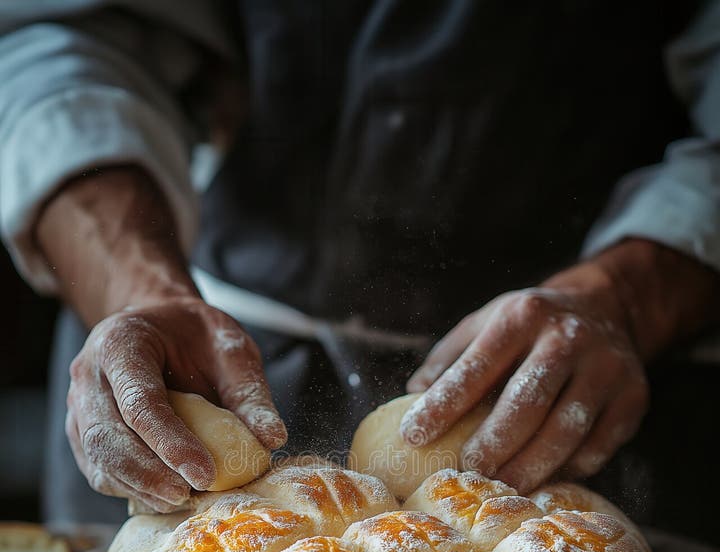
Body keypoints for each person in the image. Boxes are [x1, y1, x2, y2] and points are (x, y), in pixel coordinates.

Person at [0, 1, 718, 525]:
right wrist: (135, 290)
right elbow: (56, 34)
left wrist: (622, 296)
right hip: (197, 364)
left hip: (583, 398)